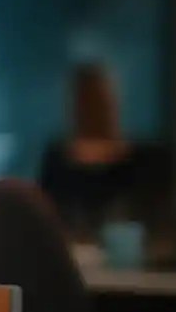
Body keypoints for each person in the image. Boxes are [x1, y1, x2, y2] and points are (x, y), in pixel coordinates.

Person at [38, 62, 140, 241]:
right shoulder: (56, 156)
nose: (97, 107)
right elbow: (46, 215)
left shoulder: (138, 159)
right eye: (89, 99)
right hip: (71, 250)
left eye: (102, 97)